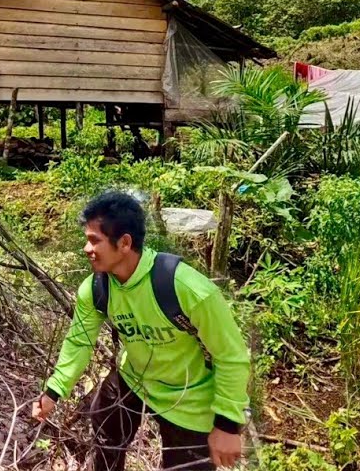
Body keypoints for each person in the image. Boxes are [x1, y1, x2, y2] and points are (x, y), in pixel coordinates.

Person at [31, 191, 250, 471]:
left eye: (94, 240)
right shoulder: (97, 288)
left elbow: (231, 356)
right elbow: (79, 343)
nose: (87, 249)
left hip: (190, 397)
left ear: (124, 243)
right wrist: (52, 392)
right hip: (135, 377)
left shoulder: (187, 289)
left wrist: (227, 424)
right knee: (105, 415)